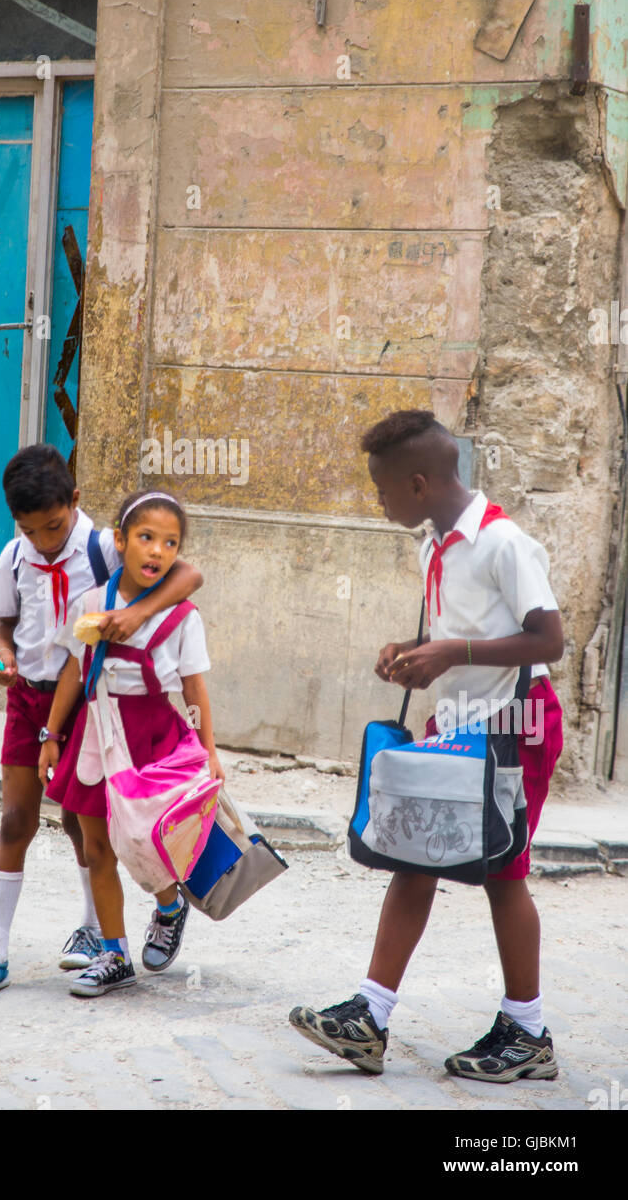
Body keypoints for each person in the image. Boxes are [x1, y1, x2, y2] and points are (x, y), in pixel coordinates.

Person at [290, 409, 565, 1082]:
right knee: (413, 856)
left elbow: (549, 639)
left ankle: (527, 1032)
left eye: (380, 489)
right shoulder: (431, 543)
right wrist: (412, 654)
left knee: (502, 871)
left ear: (417, 484)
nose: (375, 499)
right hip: (457, 720)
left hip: (513, 719)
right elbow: (458, 634)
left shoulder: (504, 544)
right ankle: (369, 1016)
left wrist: (449, 652)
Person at [0, 450, 202, 1002]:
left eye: (53, 526)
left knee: (82, 827)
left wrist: (135, 615)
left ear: (75, 503)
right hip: (28, 702)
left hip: (86, 704)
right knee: (16, 819)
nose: (42, 539)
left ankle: (96, 929)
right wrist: (1, 656)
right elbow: (3, 628)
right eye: (29, 529)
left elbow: (189, 573)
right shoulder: (15, 556)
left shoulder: (104, 546)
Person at [38, 489, 225, 998]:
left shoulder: (182, 617)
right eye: (146, 538)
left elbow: (193, 687)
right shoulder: (92, 604)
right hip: (97, 732)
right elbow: (75, 671)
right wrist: (52, 735)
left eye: (170, 542)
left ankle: (169, 904)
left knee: (145, 840)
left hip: (154, 738)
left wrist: (209, 749)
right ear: (120, 541)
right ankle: (114, 954)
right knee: (97, 845)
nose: (157, 551)